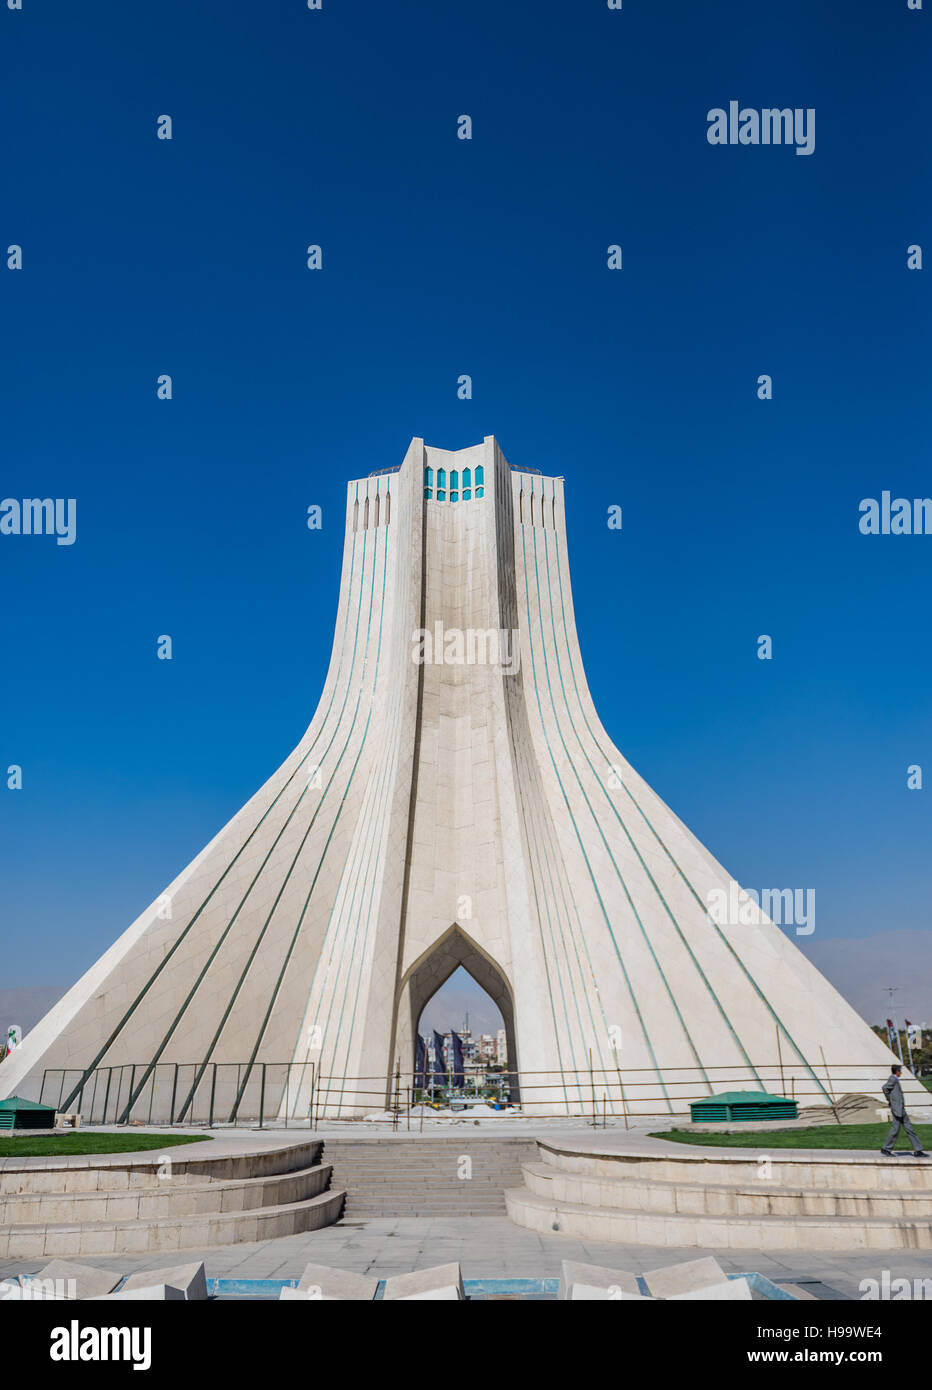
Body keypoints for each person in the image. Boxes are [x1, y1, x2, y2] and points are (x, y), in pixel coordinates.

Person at [880, 1065, 928, 1157]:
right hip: (897, 1109)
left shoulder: (895, 1079)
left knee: (908, 1129)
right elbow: (885, 1088)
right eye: (900, 1071)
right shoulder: (893, 1079)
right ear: (897, 1071)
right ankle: (886, 1148)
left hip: (900, 1109)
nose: (901, 1073)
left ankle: (918, 1150)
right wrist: (890, 1100)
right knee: (897, 1130)